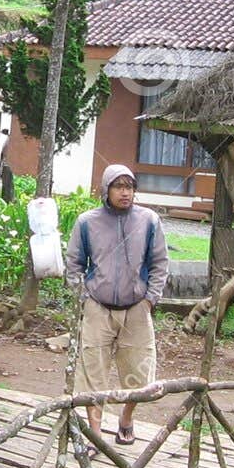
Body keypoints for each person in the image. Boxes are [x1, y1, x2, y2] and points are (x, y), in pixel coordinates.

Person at [65, 162, 168, 444]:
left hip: (136, 308)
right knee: (92, 371)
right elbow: (73, 263)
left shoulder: (148, 221)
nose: (125, 193)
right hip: (97, 307)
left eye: (130, 187)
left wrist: (150, 300)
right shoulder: (87, 222)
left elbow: (160, 263)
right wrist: (84, 297)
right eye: (118, 186)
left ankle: (126, 417)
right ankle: (96, 434)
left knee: (139, 370)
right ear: (106, 190)